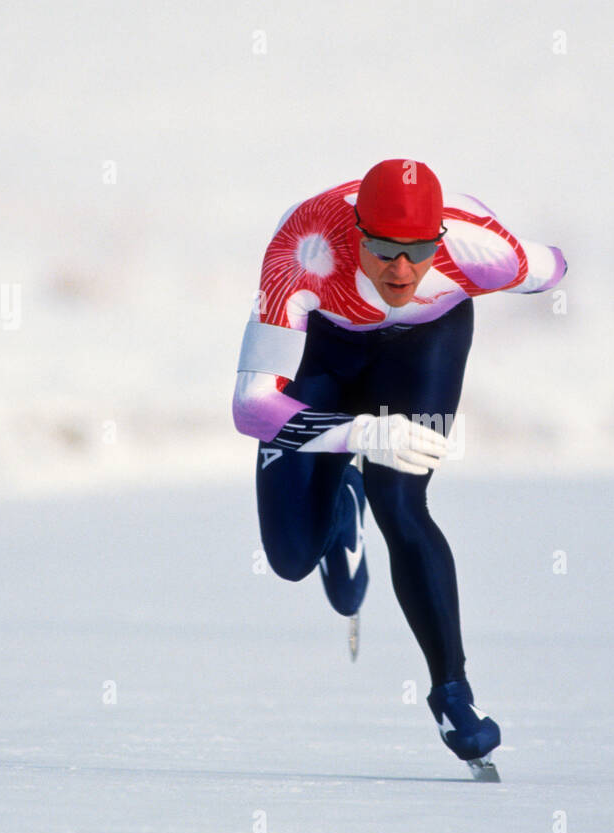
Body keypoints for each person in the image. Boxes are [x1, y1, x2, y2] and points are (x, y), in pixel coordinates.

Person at [233, 159, 567, 775]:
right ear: (356, 231)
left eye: (417, 251)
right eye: (385, 250)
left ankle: (451, 696)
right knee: (288, 558)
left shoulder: (480, 250)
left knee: (403, 502)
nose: (402, 270)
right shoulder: (302, 249)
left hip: (425, 349)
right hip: (324, 353)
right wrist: (358, 431)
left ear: (439, 237)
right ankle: (340, 506)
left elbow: (553, 267)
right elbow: (251, 408)